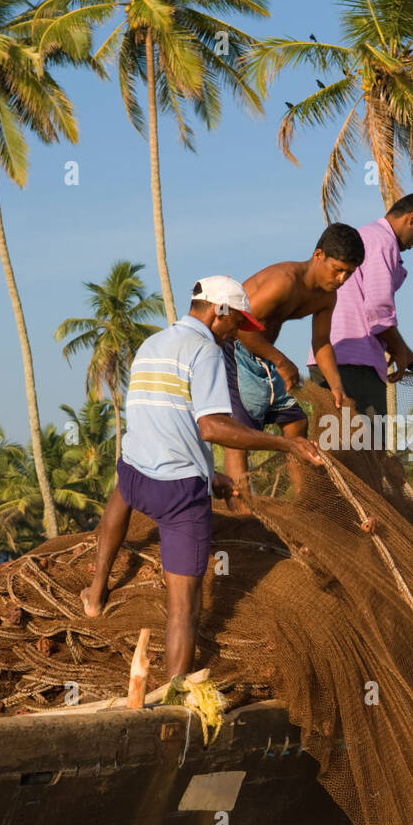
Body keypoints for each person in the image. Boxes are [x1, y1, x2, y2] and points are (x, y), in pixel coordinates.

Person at [81, 276, 322, 680]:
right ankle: (175, 692)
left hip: (136, 476)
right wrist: (287, 446)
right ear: (218, 312)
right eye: (237, 322)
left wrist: (209, 475)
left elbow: (163, 425)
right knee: (184, 606)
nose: (237, 333)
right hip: (177, 495)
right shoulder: (206, 351)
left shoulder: (151, 344)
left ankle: (96, 593)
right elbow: (211, 428)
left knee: (119, 497)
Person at [222, 222, 365, 491]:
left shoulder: (327, 297)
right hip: (232, 351)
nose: (342, 280)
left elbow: (321, 342)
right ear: (318, 255)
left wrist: (336, 386)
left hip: (263, 356)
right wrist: (282, 361)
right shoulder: (283, 283)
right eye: (338, 270)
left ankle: (303, 502)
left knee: (296, 421)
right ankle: (242, 509)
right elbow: (237, 327)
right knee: (241, 433)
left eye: (349, 273)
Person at [307, 192, 413, 418]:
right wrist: (404, 355)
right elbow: (379, 310)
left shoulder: (366, 237)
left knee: (338, 446)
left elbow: (376, 319)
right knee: (365, 448)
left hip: (330, 360)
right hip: (354, 367)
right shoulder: (382, 241)